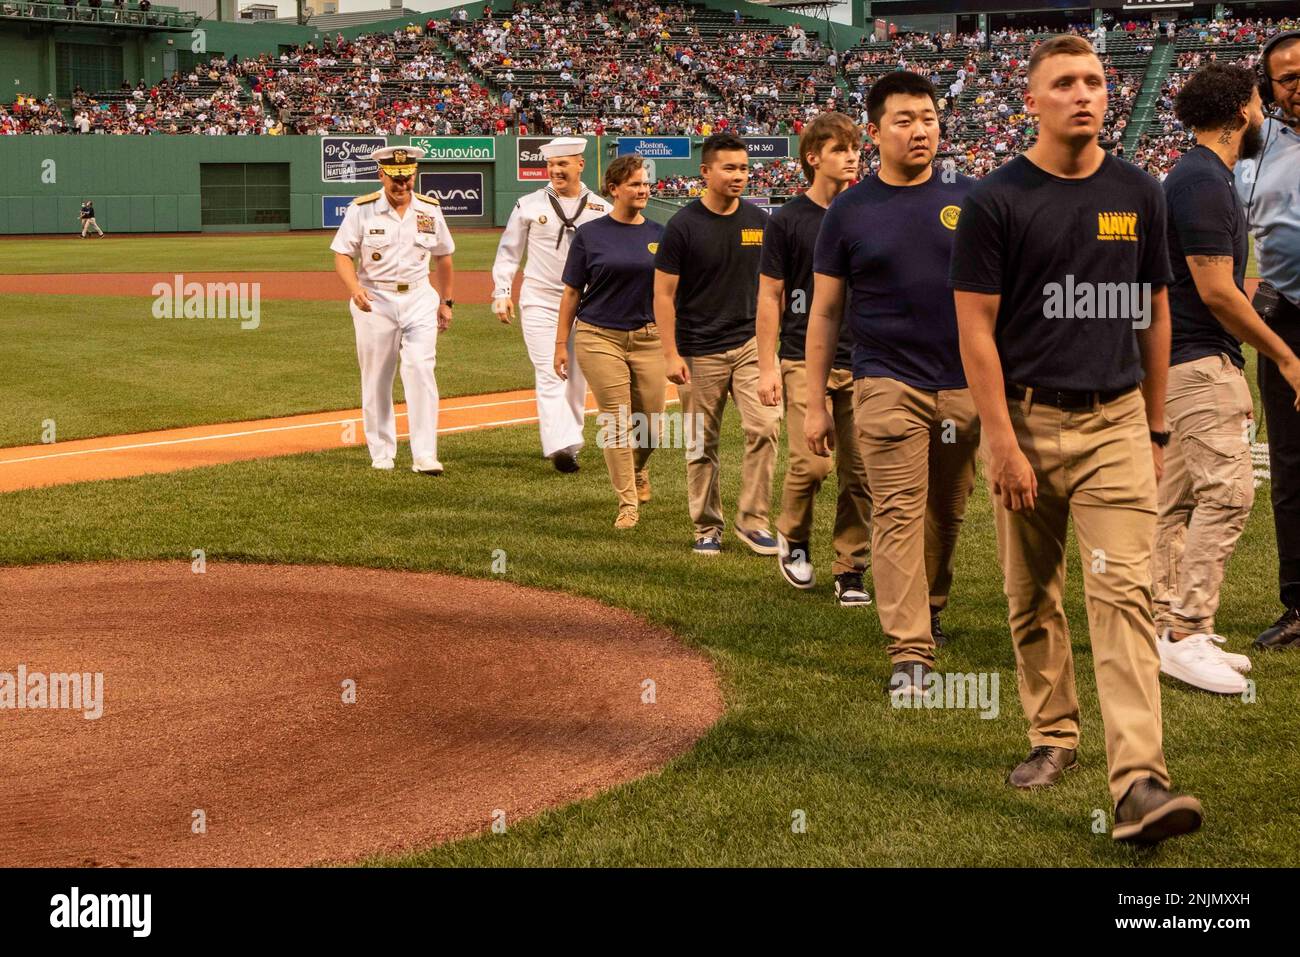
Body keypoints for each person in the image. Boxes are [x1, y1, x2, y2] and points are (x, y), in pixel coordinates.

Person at [951, 34, 1203, 845]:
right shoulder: (995, 199)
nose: (1085, 94)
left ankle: (1139, 781)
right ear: (1031, 100)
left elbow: (1157, 311)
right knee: (1030, 596)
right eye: (1064, 83)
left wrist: (1156, 424)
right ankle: (1053, 734)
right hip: (1022, 420)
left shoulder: (1141, 189)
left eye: (1095, 80)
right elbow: (976, 330)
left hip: (1116, 423)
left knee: (1123, 595)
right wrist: (1000, 440)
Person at [806, 73, 980, 692]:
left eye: (928, 117)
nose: (920, 129)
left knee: (948, 511)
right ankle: (910, 652)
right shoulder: (850, 210)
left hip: (964, 387)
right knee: (898, 513)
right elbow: (825, 311)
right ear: (876, 132)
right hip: (885, 382)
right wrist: (816, 401)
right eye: (904, 119)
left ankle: (930, 605)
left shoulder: (973, 198)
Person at [1156, 63, 1300, 693]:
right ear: (1242, 109)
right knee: (1229, 492)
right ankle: (1187, 629)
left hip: (1181, 360)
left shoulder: (1195, 176)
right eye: (1258, 98)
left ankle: (1164, 624)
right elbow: (1217, 292)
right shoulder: (1204, 181)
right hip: (1198, 362)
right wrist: (1287, 355)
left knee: (1178, 500)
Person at [756, 111, 873, 607]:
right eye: (840, 148)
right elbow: (769, 296)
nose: (852, 156)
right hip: (803, 356)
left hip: (864, 358)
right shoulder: (787, 220)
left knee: (861, 472)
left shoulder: (870, 210)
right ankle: (794, 535)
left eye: (855, 148)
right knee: (812, 464)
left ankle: (850, 567)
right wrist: (766, 367)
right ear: (812, 157)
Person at [654, 133, 780, 557]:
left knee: (765, 426)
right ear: (705, 172)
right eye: (729, 168)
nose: (739, 176)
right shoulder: (683, 226)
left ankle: (754, 519)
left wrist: (769, 359)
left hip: (748, 345)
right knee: (699, 443)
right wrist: (670, 354)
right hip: (697, 350)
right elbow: (663, 295)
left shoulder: (760, 222)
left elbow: (773, 292)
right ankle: (707, 526)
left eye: (744, 168)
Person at [554, 154, 666, 530]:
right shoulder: (590, 235)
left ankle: (637, 468)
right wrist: (559, 345)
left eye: (645, 183)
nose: (643, 189)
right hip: (598, 335)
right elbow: (571, 293)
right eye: (634, 183)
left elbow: (670, 294)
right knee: (617, 421)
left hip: (649, 338)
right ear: (614, 189)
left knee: (652, 425)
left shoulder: (658, 234)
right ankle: (628, 503)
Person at [330, 146, 455, 475]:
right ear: (381, 175)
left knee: (421, 371)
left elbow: (444, 255)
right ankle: (382, 452)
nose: (402, 185)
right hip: (375, 301)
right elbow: (342, 254)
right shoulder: (362, 210)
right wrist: (355, 290)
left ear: (414, 175)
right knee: (377, 378)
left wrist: (446, 301)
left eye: (408, 177)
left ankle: (425, 454)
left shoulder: (429, 210)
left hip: (419, 298)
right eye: (395, 178)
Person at [1236, 29, 1300, 651]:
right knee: (1290, 465)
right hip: (1285, 320)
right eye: (1289, 79)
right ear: (1268, 87)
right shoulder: (1251, 153)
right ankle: (1299, 605)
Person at [491, 136, 609, 473]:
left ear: (580, 164)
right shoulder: (529, 205)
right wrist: (501, 291)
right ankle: (559, 444)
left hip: (586, 305)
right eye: (552, 165)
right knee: (548, 371)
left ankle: (569, 444)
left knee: (576, 377)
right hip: (540, 301)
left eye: (563, 164)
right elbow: (508, 252)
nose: (556, 170)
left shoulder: (601, 209)